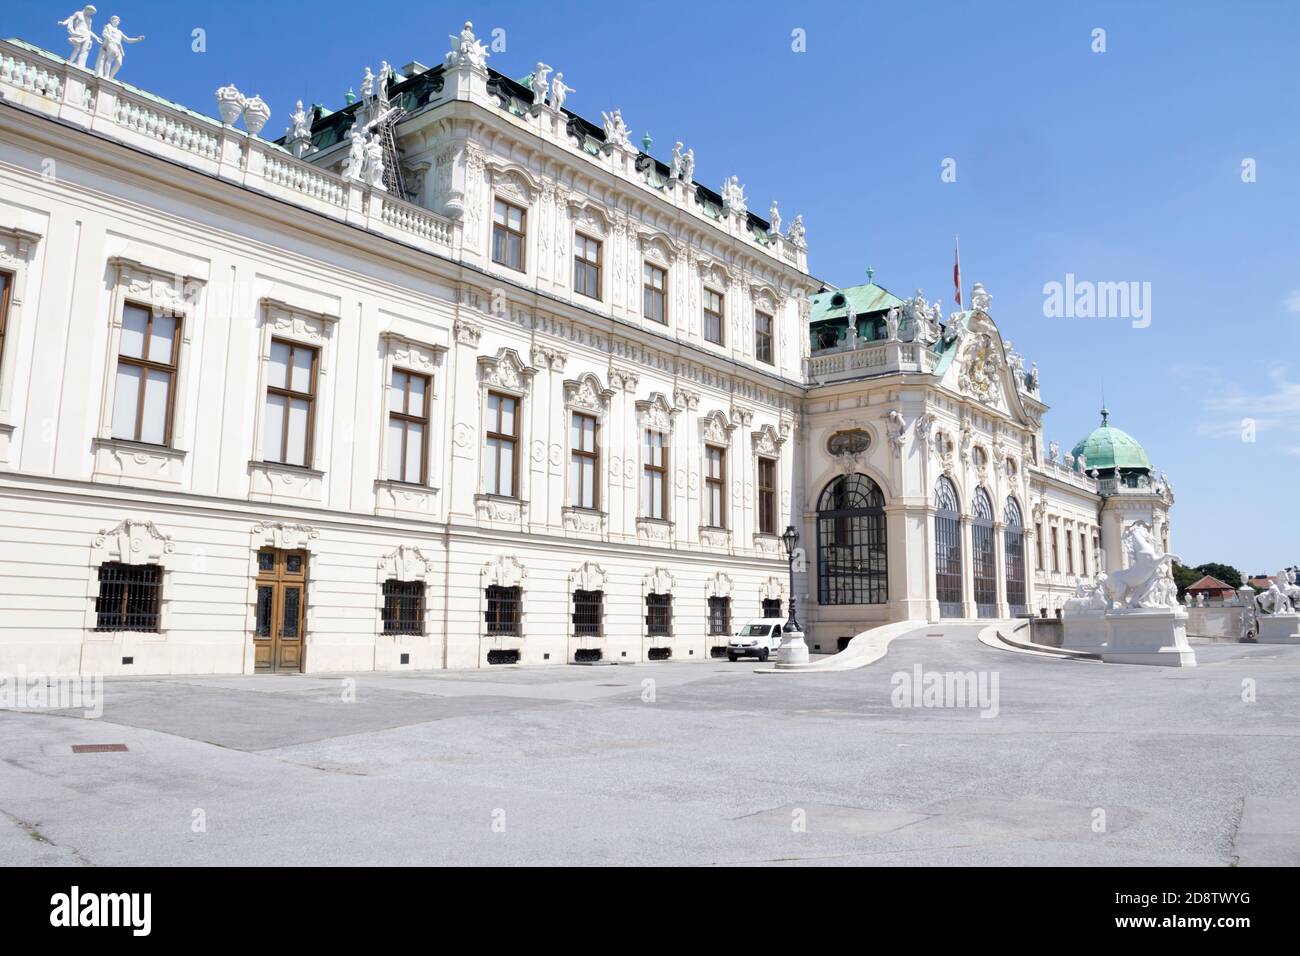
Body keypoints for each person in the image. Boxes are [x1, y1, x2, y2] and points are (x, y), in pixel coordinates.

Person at [94, 15, 143, 80]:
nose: (117, 21)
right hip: (111, 44)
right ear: (112, 21)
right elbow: (104, 33)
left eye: (118, 20)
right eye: (116, 20)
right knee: (109, 60)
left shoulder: (119, 32)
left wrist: (137, 39)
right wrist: (109, 37)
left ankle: (111, 77)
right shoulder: (108, 26)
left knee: (119, 63)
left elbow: (127, 40)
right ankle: (106, 76)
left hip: (118, 48)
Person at [58, 5, 99, 70]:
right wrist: (63, 23)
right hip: (78, 33)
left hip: (86, 35)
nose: (90, 14)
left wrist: (96, 37)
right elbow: (70, 19)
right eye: (90, 12)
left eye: (91, 13)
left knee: (84, 51)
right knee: (77, 48)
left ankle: (80, 66)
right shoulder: (78, 13)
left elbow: (89, 30)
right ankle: (70, 61)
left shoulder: (89, 19)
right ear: (87, 9)